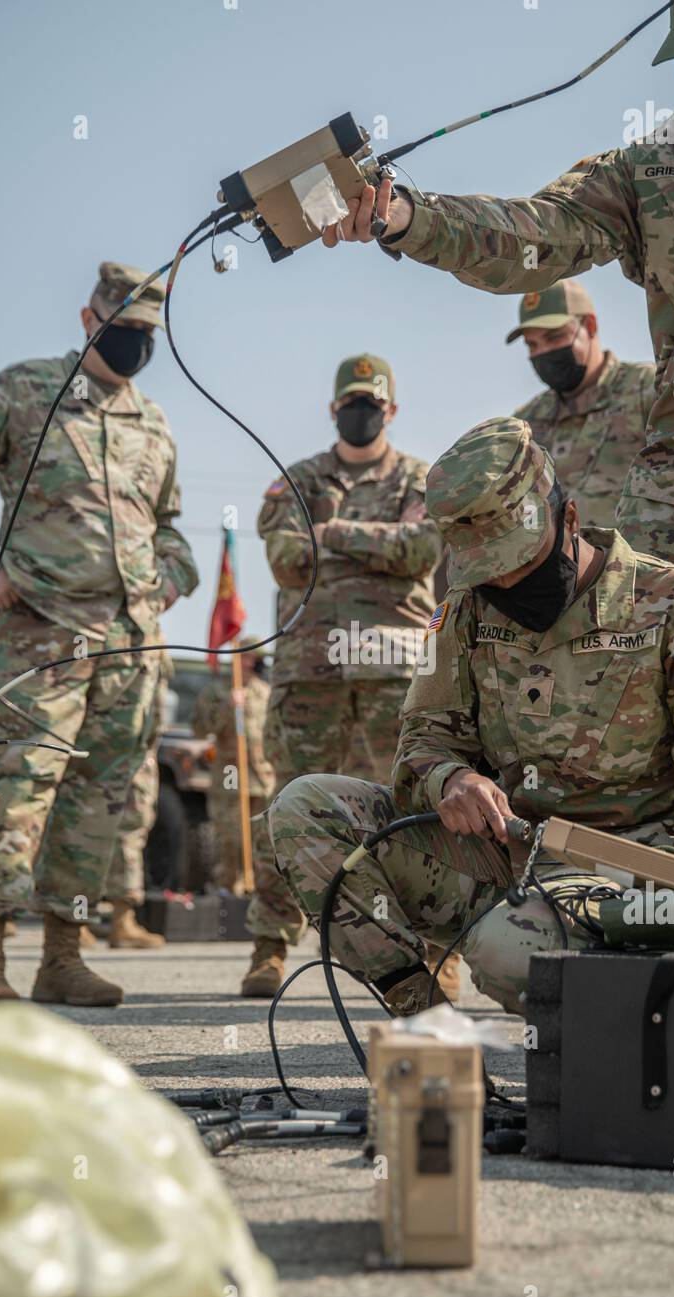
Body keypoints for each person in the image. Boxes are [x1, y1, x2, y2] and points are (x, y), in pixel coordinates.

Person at [322, 3, 674, 881]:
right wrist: (401, 216)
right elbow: (531, 236)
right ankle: (617, 927)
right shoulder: (653, 166)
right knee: (617, 710)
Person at [267, 418, 674, 1016]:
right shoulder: (462, 613)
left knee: (512, 953)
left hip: (639, 864)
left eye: (524, 567)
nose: (509, 585)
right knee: (305, 809)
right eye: (493, 576)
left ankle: (638, 1015)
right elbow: (423, 740)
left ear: (569, 519)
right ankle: (427, 1024)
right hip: (509, 850)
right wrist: (451, 780)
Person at [0, 260, 199, 1006]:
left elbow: (171, 529)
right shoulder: (23, 392)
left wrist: (169, 582)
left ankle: (62, 955)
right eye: (123, 332)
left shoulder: (153, 421)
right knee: (21, 789)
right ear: (89, 321)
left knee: (98, 799)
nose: (136, 346)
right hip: (44, 635)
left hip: (129, 643)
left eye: (148, 334)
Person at [242, 354, 443, 997]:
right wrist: (372, 541)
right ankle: (269, 948)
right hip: (313, 667)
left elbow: (421, 550)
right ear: (334, 410)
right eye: (351, 403)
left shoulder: (421, 478)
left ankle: (439, 949)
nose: (362, 413)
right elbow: (287, 561)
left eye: (373, 404)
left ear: (391, 410)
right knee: (286, 802)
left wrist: (329, 531)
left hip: (394, 664)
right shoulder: (296, 480)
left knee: (413, 801)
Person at [509, 280, 656, 530]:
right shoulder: (526, 424)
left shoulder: (647, 390)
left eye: (554, 337)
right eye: (532, 345)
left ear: (589, 326)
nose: (543, 352)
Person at [101, 646, 175, 949]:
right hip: (132, 759)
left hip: (112, 758)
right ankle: (122, 921)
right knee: (128, 835)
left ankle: (76, 918)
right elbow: (154, 719)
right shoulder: (147, 653)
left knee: (89, 833)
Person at [192, 639, 275, 898]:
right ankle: (229, 887)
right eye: (249, 656)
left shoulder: (266, 692)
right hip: (231, 777)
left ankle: (261, 891)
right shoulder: (217, 692)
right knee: (232, 838)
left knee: (262, 837)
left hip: (262, 777)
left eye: (256, 658)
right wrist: (228, 706)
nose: (253, 662)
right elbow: (200, 728)